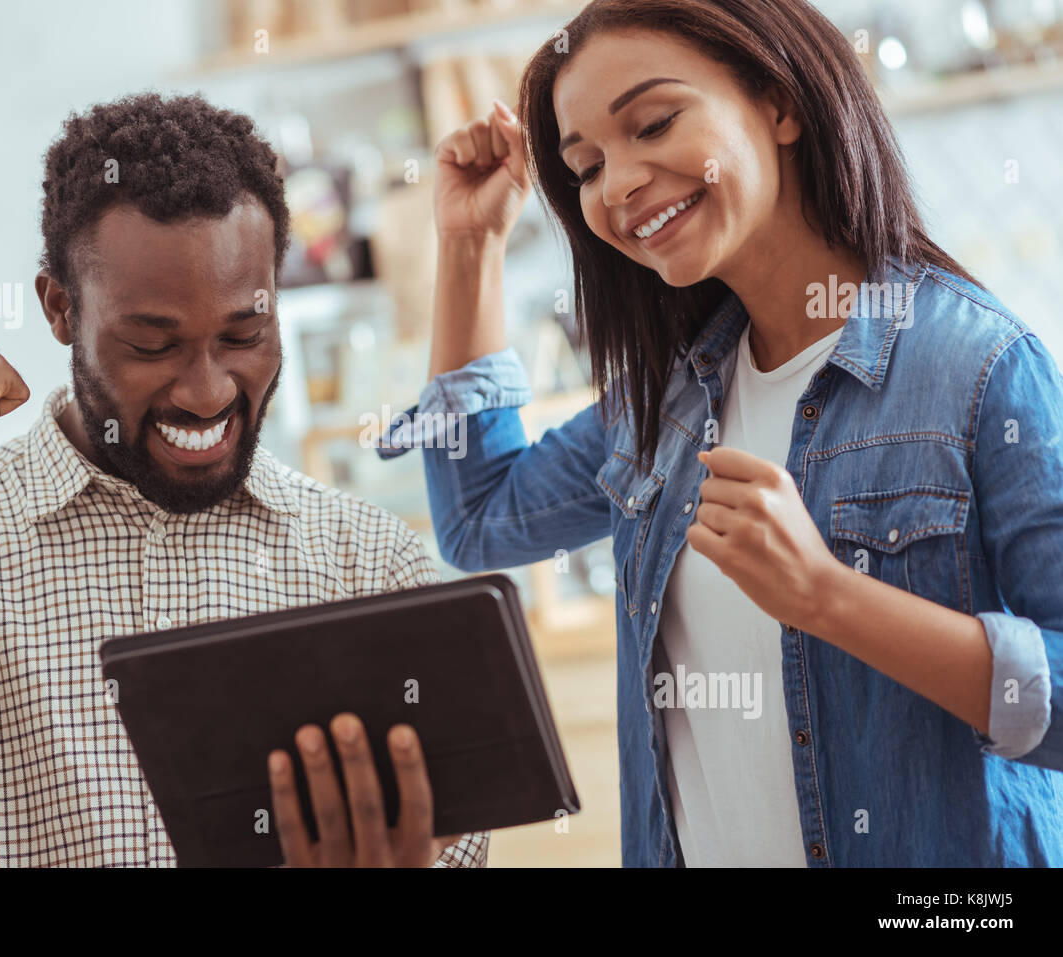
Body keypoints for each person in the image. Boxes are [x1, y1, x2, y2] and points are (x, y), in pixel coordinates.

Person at [380, 0, 1063, 866]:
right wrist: (468, 245)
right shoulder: (669, 399)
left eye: (654, 122)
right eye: (585, 166)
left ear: (779, 103)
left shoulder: (981, 371)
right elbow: (482, 517)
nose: (618, 183)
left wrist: (827, 596)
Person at [0, 92, 485, 868]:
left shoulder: (370, 565)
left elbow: (460, 846)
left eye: (244, 335)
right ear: (60, 308)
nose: (207, 392)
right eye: (152, 345)